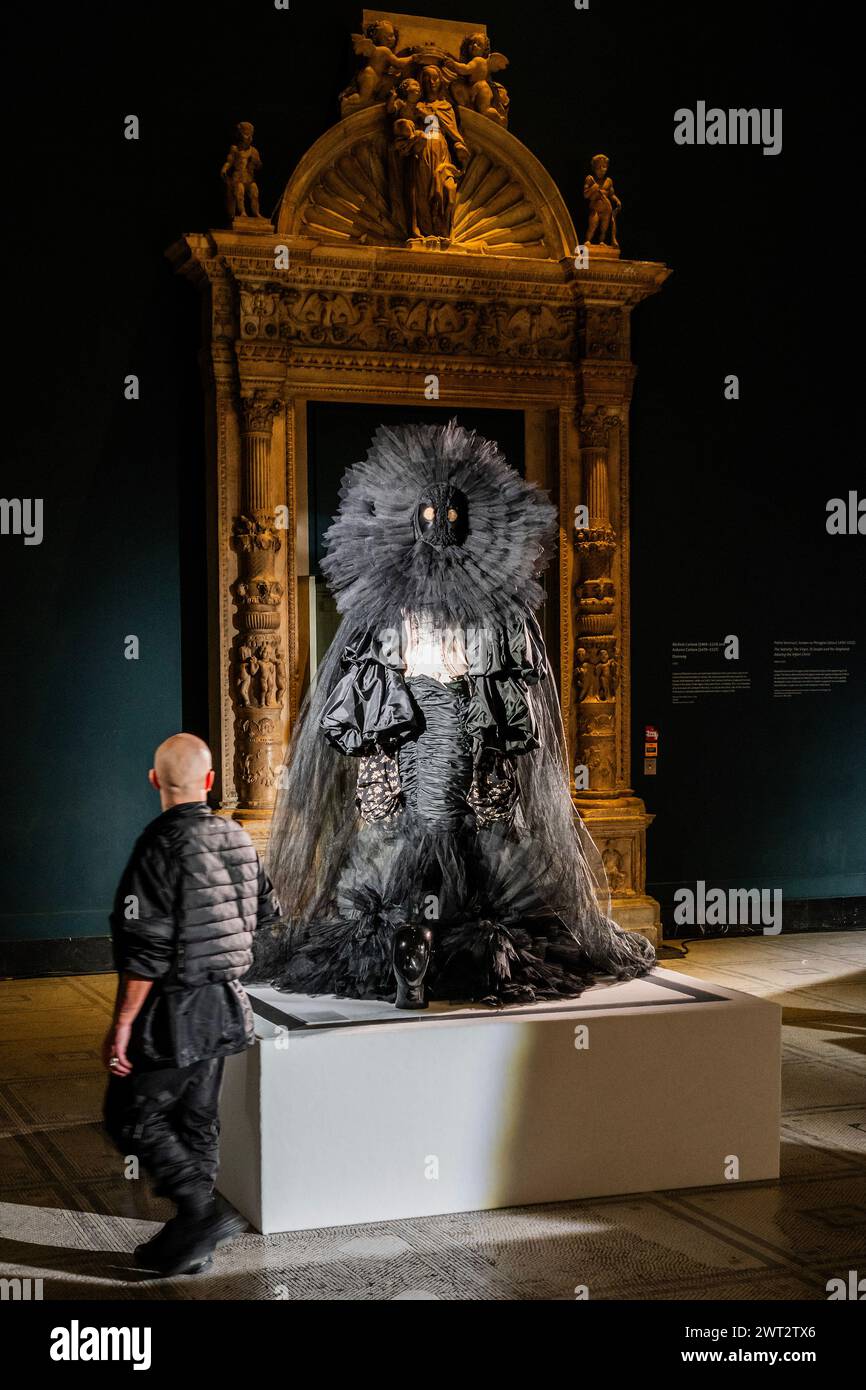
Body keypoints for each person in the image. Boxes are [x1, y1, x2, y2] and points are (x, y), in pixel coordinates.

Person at [254, 421, 654, 1008]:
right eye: (430, 518)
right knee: (411, 830)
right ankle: (412, 955)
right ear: (411, 519)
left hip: (463, 732)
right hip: (411, 730)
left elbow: (513, 691)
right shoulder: (391, 602)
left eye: (450, 519)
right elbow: (367, 690)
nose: (440, 528)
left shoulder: (494, 607)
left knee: (465, 830)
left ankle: (433, 954)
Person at [103, 733, 280, 1276]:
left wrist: (124, 1024)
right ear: (208, 782)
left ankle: (200, 1214)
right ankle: (191, 1243)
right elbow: (268, 912)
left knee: (131, 1115)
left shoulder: (157, 846)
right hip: (226, 1006)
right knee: (197, 1120)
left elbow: (146, 948)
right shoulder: (237, 837)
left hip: (173, 1010)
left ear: (155, 781)